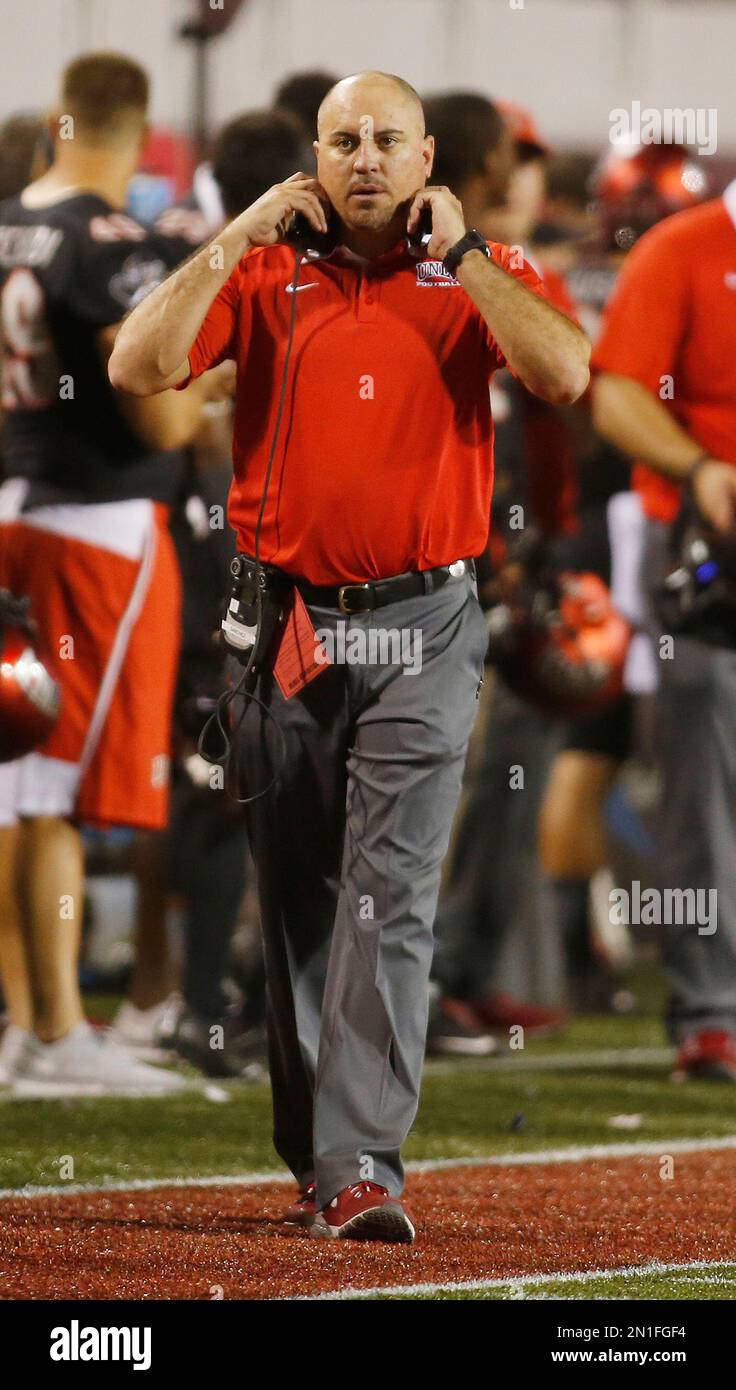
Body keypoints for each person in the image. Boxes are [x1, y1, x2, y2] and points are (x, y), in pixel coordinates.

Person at [110, 69, 589, 1242]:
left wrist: (471, 256)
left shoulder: (478, 271)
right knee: (298, 901)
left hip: (423, 618)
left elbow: (562, 375)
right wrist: (234, 232)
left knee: (390, 891)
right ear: (312, 158)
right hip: (284, 623)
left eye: (385, 139)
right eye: (342, 140)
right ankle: (319, 1152)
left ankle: (363, 1155)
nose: (363, 157)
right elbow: (134, 365)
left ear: (426, 159)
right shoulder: (265, 266)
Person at [0, 52, 225, 1093]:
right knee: (48, 791)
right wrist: (214, 381)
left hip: (20, 504)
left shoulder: (11, 223)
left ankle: (31, 1023)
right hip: (96, 525)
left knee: (16, 786)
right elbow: (162, 414)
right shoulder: (105, 240)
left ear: (60, 119)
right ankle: (56, 1032)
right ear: (136, 130)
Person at [592, 174, 736, 1082]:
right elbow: (617, 396)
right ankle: (710, 1010)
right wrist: (701, 466)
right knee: (702, 783)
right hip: (703, 549)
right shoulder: (680, 250)